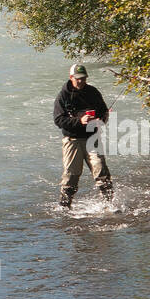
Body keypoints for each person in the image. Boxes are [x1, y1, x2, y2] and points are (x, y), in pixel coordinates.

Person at [53, 62, 113, 208]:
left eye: (84, 78)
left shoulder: (93, 92)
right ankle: (65, 206)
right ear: (71, 77)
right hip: (72, 140)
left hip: (92, 138)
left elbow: (104, 111)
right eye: (78, 78)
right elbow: (59, 120)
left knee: (101, 169)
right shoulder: (63, 96)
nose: (81, 81)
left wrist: (101, 120)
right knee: (71, 175)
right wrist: (80, 121)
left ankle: (110, 204)